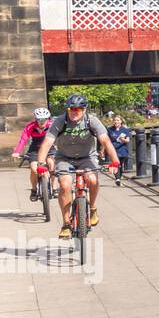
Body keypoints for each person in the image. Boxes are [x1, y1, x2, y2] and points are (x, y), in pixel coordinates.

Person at [34, 95, 120, 240]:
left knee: (92, 180)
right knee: (65, 184)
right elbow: (47, 142)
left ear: (84, 109)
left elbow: (105, 140)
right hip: (65, 158)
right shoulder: (60, 121)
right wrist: (41, 163)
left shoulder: (91, 121)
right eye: (71, 109)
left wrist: (115, 161)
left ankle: (92, 208)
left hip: (87, 157)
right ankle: (66, 224)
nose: (74, 112)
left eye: (78, 109)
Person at [10, 107, 53, 202]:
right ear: (36, 119)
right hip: (35, 149)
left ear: (48, 118)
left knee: (51, 164)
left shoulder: (52, 125)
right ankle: (34, 189)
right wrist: (17, 151)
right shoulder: (30, 127)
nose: (42, 122)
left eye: (44, 119)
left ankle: (52, 188)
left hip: (50, 147)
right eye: (39, 119)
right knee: (34, 169)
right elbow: (23, 139)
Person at [106, 115, 132, 182]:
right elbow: (106, 139)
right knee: (115, 164)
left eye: (118, 120)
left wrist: (123, 139)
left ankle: (119, 178)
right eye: (115, 120)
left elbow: (128, 140)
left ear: (121, 121)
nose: (116, 121)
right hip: (113, 150)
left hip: (122, 150)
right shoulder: (110, 129)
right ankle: (117, 179)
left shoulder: (125, 129)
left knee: (120, 165)